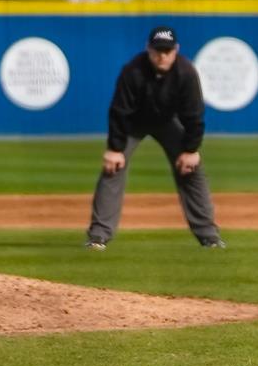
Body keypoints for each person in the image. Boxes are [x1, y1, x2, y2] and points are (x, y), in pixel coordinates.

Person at [85, 24, 224, 250]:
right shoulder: (133, 71)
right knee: (113, 168)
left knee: (192, 168)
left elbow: (194, 115)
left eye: (167, 51)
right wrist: (115, 148)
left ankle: (209, 236)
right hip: (133, 123)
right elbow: (120, 111)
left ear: (176, 49)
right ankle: (99, 236)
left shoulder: (186, 72)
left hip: (167, 122)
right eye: (157, 50)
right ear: (148, 49)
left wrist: (190, 150)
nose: (162, 55)